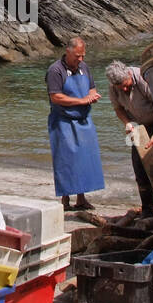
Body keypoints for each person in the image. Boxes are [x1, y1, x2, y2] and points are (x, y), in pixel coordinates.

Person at [105, 60, 153, 224]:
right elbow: (118, 109)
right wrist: (127, 122)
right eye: (121, 88)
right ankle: (147, 212)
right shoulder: (115, 87)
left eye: (126, 85)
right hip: (139, 127)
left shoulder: (143, 79)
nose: (124, 89)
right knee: (140, 169)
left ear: (128, 74)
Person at [46, 37, 104, 211]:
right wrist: (81, 100)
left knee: (85, 159)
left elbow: (91, 88)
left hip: (84, 120)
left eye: (83, 56)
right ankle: (65, 200)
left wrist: (92, 96)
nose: (80, 59)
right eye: (77, 56)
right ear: (68, 51)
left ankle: (81, 198)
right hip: (63, 121)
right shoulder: (55, 70)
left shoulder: (84, 68)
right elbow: (55, 96)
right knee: (66, 160)